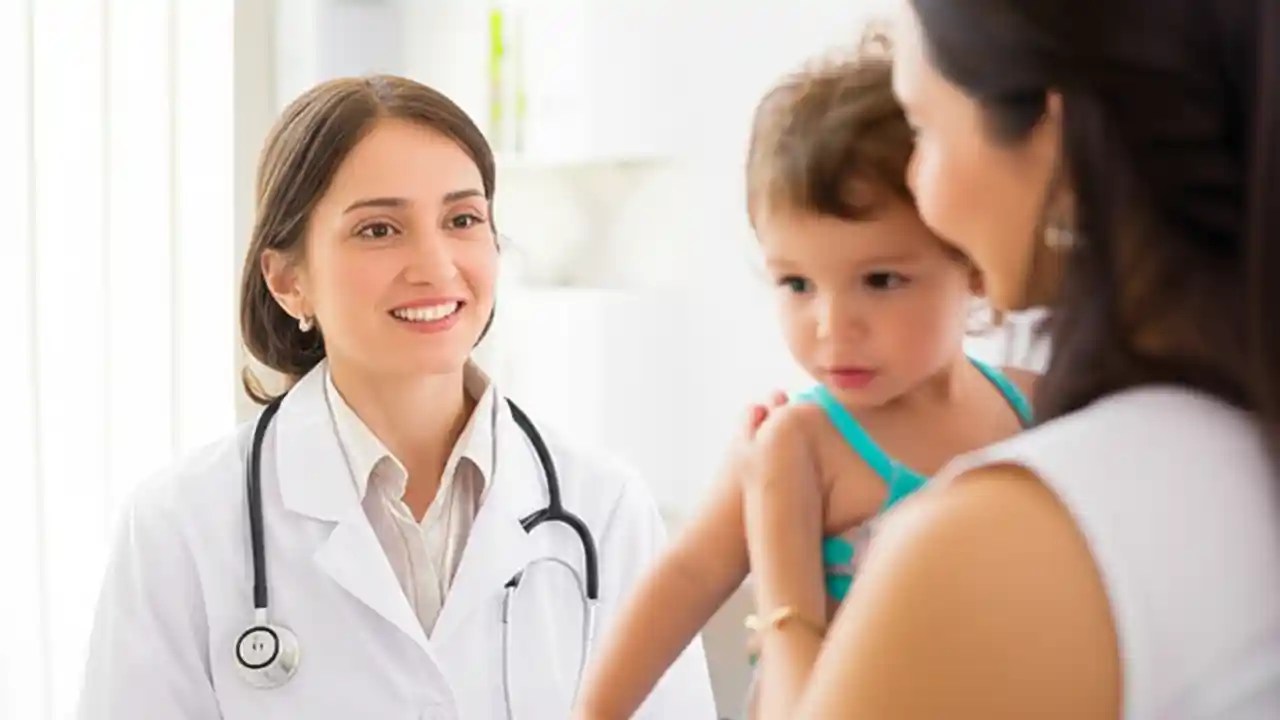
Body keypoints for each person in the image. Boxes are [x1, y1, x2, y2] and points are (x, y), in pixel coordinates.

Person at [76, 75, 715, 720]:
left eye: (462, 219)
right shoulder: (181, 525)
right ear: (289, 280)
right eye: (379, 230)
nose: (435, 265)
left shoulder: (603, 508)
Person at [745, 1, 1280, 717]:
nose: (923, 197)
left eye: (922, 132)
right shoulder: (1239, 448)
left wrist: (783, 607)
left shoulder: (996, 540)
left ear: (1050, 137)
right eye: (796, 282)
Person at [574, 43, 1035, 719]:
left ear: (970, 262)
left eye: (880, 281)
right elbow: (689, 576)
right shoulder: (798, 443)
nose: (831, 326)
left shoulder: (1035, 402)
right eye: (795, 283)